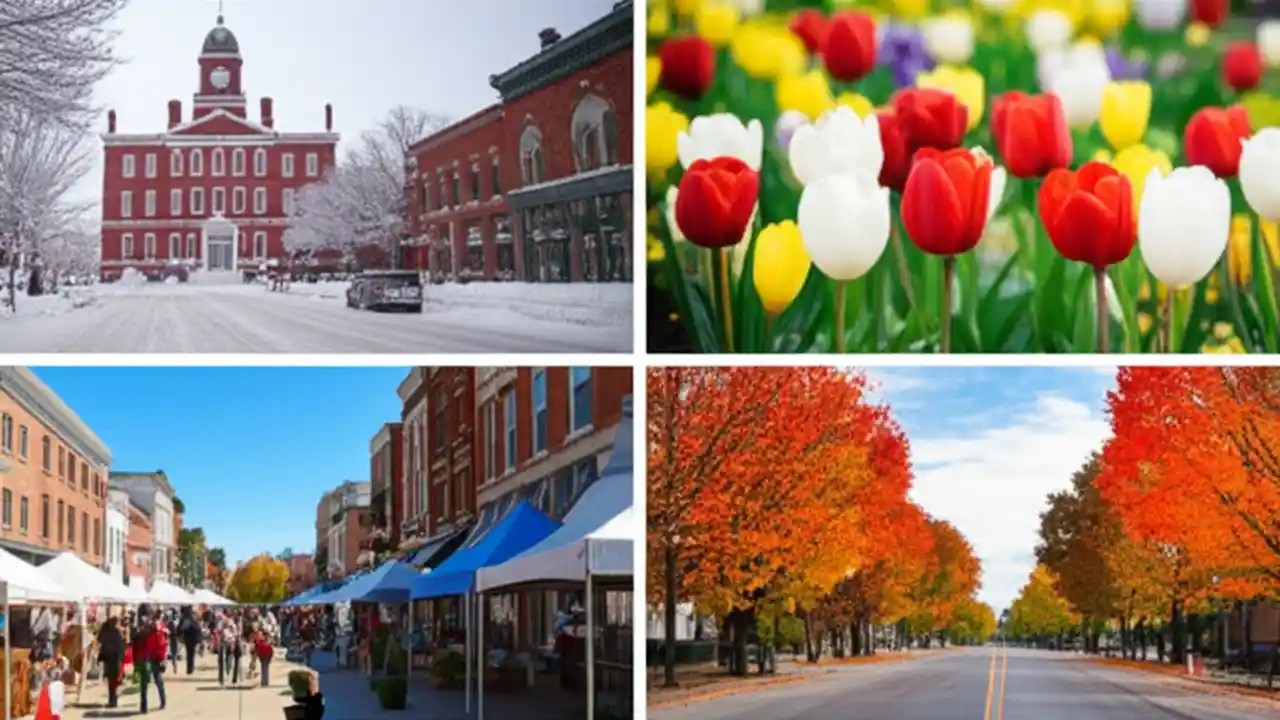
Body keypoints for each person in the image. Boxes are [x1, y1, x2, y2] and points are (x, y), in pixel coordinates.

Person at [132, 609, 167, 713]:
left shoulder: (144, 628)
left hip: (144, 657)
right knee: (158, 680)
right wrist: (162, 658)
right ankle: (163, 701)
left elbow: (138, 643)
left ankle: (144, 707)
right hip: (155, 657)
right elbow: (161, 645)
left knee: (144, 683)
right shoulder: (159, 629)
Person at [96, 618, 125, 709]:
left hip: (108, 659)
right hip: (116, 660)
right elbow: (121, 648)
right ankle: (114, 700)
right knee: (115, 681)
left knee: (111, 681)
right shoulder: (117, 633)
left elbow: (100, 640)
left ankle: (111, 700)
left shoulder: (105, 631)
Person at [217, 611, 241, 687]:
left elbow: (236, 633)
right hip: (226, 643)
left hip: (229, 643)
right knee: (225, 661)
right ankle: (223, 678)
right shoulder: (223, 622)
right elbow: (218, 631)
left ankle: (224, 678)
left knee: (226, 661)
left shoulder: (233, 623)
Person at [179, 607, 202, 675]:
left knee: (190, 654)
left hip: (189, 638)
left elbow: (182, 628)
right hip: (193, 639)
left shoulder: (187, 619)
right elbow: (198, 628)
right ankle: (190, 669)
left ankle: (190, 669)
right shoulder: (194, 619)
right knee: (191, 654)